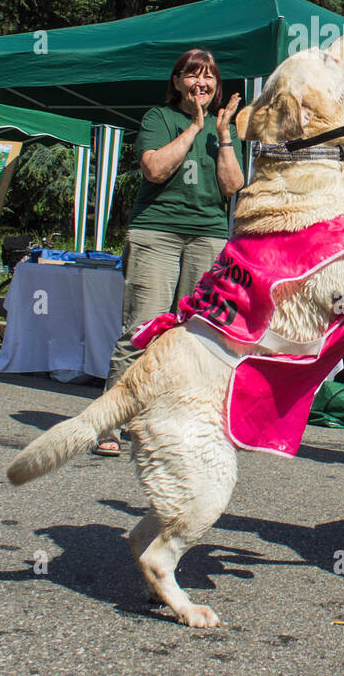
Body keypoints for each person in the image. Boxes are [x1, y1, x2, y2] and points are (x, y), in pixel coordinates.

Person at [93, 49, 244, 454]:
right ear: (177, 81)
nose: (202, 83)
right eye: (193, 75)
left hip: (208, 236)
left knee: (196, 336)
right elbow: (155, 169)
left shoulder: (224, 127)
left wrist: (224, 135)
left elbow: (232, 186)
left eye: (209, 76)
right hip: (156, 232)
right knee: (142, 329)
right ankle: (110, 422)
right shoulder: (158, 118)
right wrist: (194, 128)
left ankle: (175, 423)